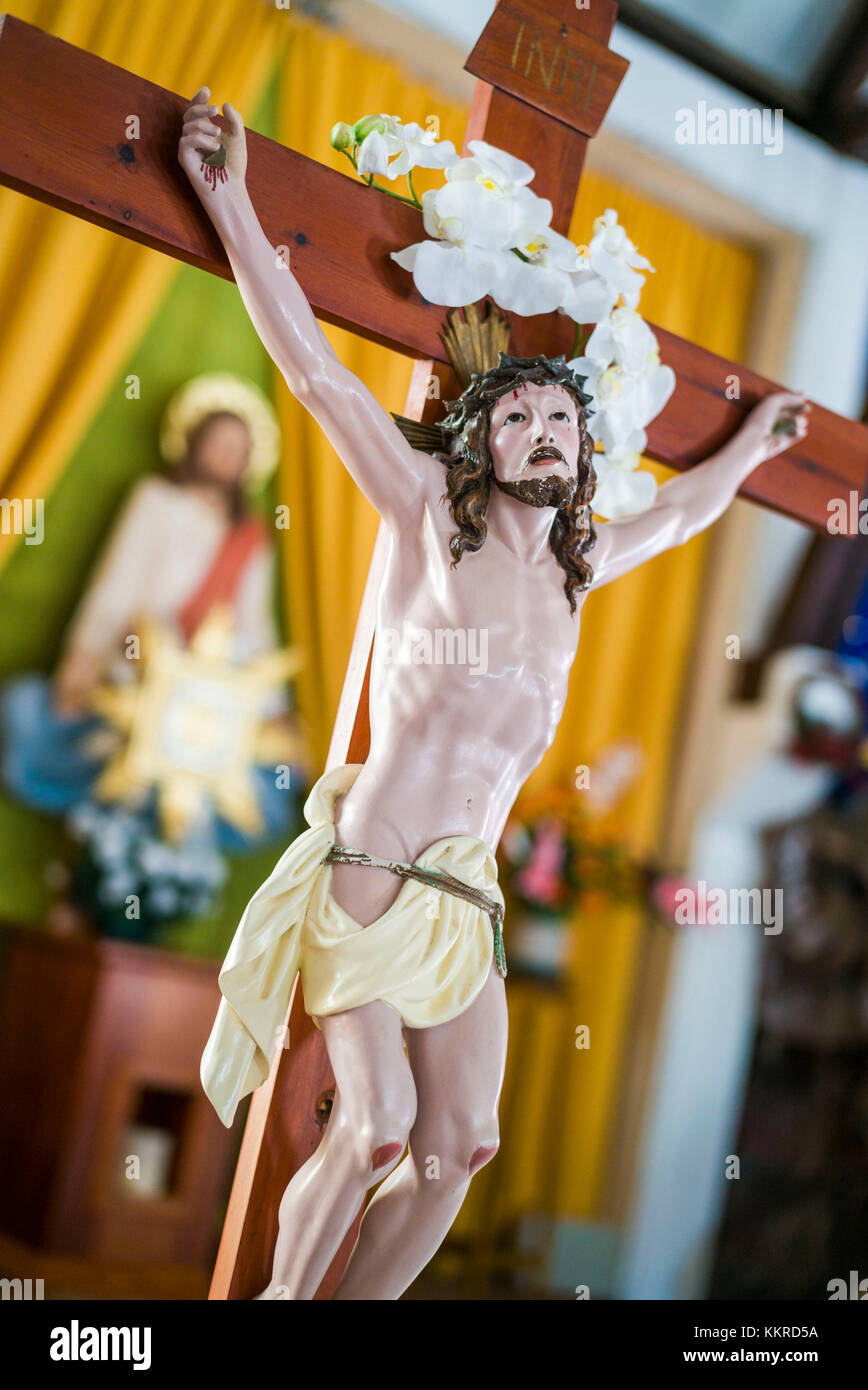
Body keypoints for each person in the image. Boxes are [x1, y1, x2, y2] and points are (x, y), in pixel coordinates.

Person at [179, 88, 809, 1301]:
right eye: (514, 414)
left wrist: (751, 451)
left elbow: (674, 513)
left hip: (464, 895)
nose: (540, 430)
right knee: (371, 1127)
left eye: (560, 418)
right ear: (478, 445)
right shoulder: (427, 520)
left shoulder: (576, 572)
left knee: (458, 1145)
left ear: (580, 451)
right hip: (372, 869)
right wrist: (231, 197)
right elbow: (314, 372)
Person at [2, 374, 294, 845]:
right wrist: (82, 658)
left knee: (187, 804)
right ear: (194, 443)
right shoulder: (156, 501)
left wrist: (275, 707)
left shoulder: (251, 538)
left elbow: (258, 626)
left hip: (206, 697)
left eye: (238, 449)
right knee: (105, 769)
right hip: (133, 669)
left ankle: (152, 877)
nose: (226, 455)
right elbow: (114, 586)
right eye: (219, 442)